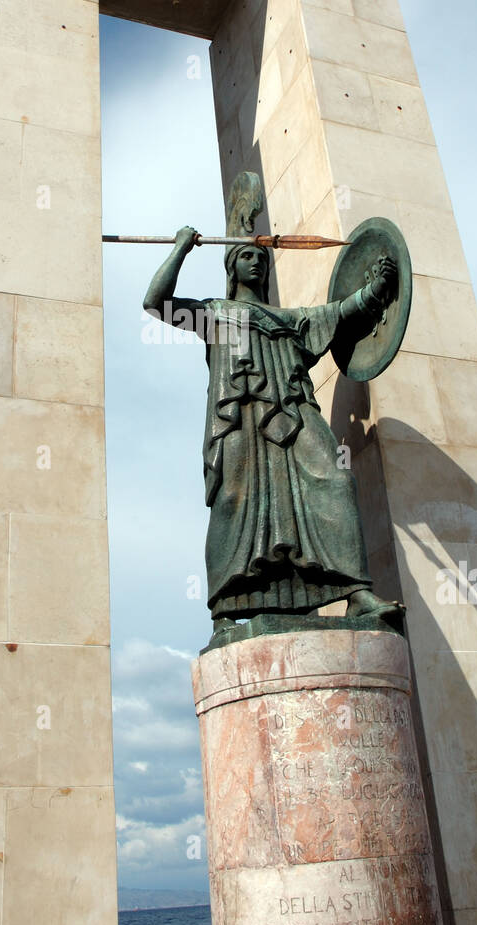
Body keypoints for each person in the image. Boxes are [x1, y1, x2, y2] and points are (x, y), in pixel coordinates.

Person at [143, 226, 404, 638]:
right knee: (233, 501)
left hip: (294, 410)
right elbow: (156, 304)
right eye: (247, 256)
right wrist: (180, 249)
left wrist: (378, 284)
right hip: (239, 419)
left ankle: (356, 592)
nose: (257, 262)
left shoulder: (293, 319)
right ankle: (225, 611)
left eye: (261, 258)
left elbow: (343, 312)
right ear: (231, 267)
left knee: (336, 481)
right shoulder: (215, 312)